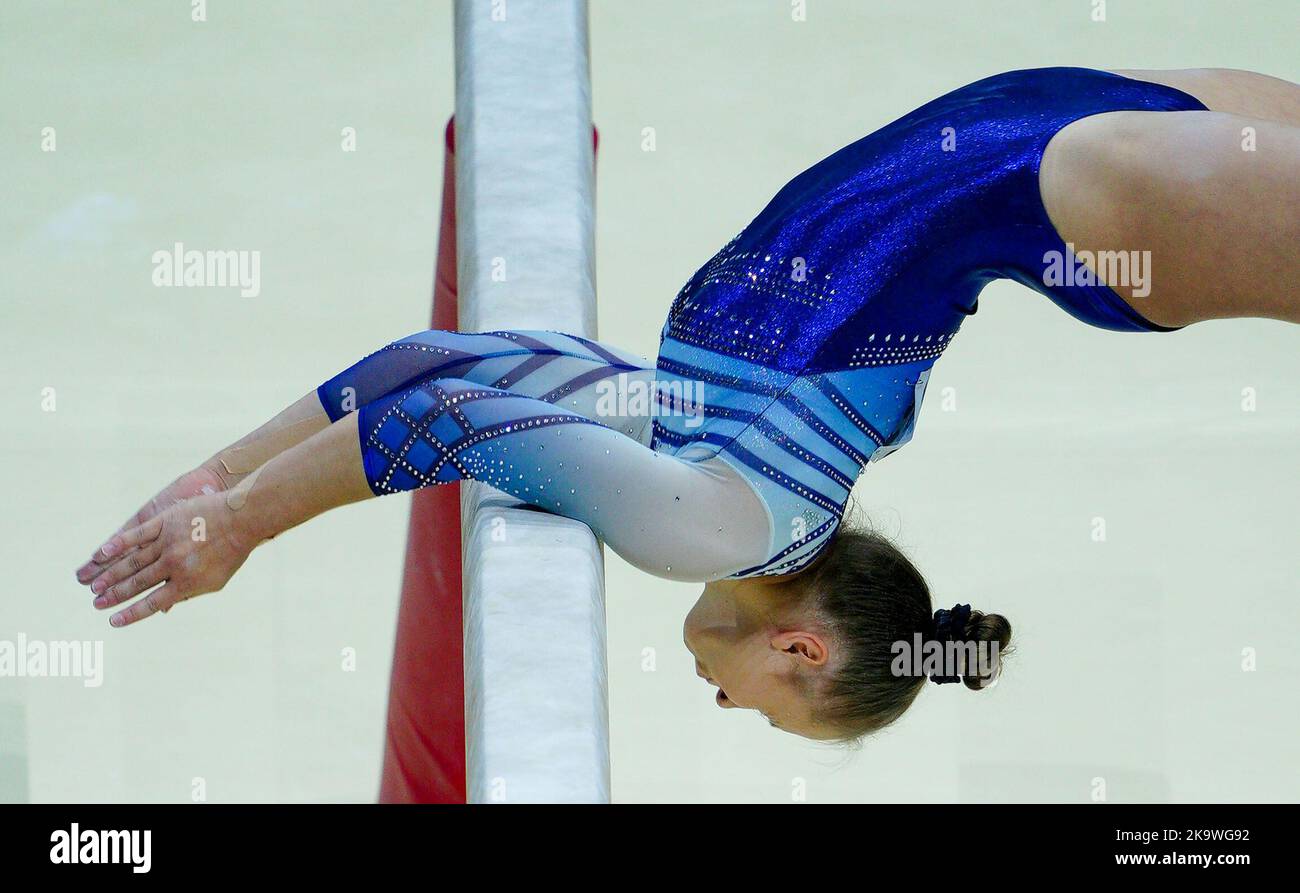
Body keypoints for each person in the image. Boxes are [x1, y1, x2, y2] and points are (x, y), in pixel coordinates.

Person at [75, 67, 1299, 741]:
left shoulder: (714, 455)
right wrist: (241, 527)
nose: (728, 709)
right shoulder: (712, 527)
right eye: (769, 718)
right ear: (801, 647)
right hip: (1101, 199)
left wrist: (216, 477)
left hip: (1069, 123)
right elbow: (447, 420)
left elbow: (441, 361)